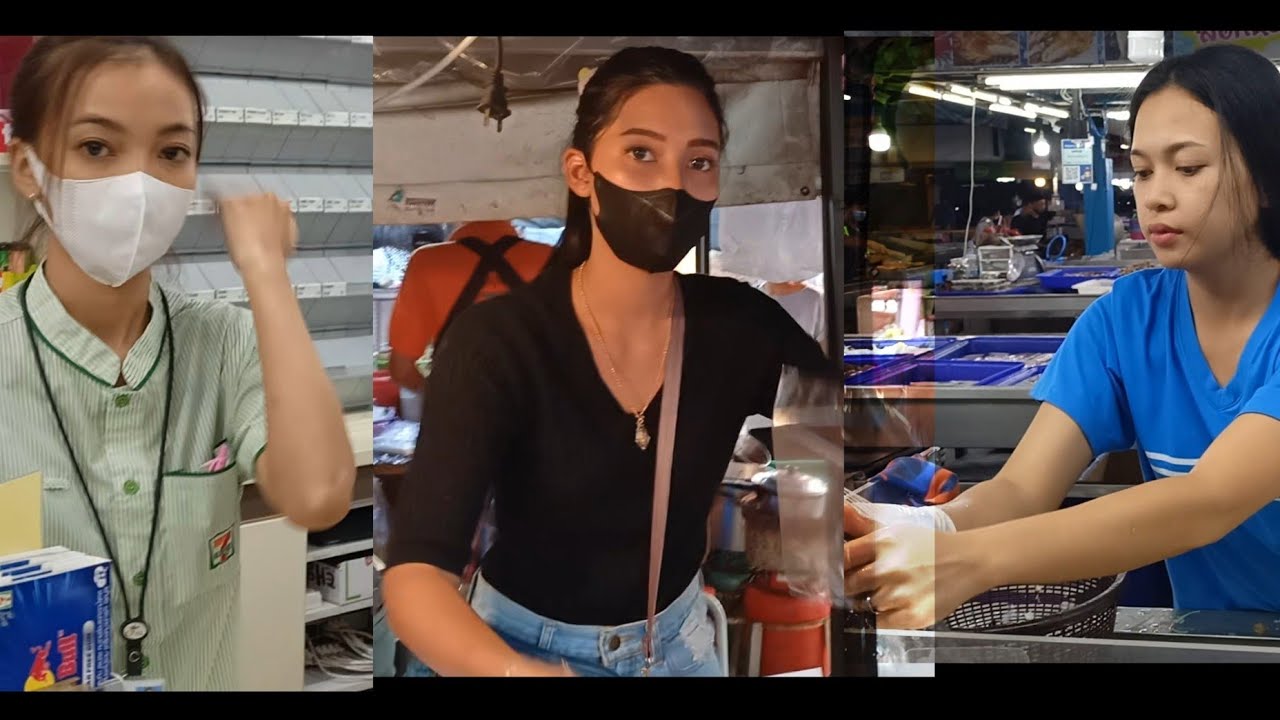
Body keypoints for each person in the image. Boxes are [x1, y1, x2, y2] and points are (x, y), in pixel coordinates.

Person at [383, 45, 834, 677]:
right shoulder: (497, 342)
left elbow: (835, 440)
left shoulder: (743, 324)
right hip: (513, 650)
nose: (672, 183)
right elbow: (415, 576)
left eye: (698, 160)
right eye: (641, 153)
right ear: (581, 172)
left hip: (677, 648)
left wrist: (821, 528)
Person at [842, 44, 1280, 629]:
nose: (1156, 195)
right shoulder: (1126, 320)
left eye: (1190, 167)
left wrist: (964, 562)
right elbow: (1023, 488)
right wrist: (925, 528)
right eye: (1143, 170)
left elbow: (1209, 501)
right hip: (1218, 634)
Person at [0, 36, 355, 690]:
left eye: (172, 153)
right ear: (27, 167)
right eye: (97, 147)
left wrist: (266, 272)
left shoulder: (223, 343)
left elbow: (319, 494)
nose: (139, 184)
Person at [386, 220, 552, 392]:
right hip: (537, 409)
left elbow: (402, 371)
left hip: (461, 408)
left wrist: (442, 399)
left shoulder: (426, 262)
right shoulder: (551, 258)